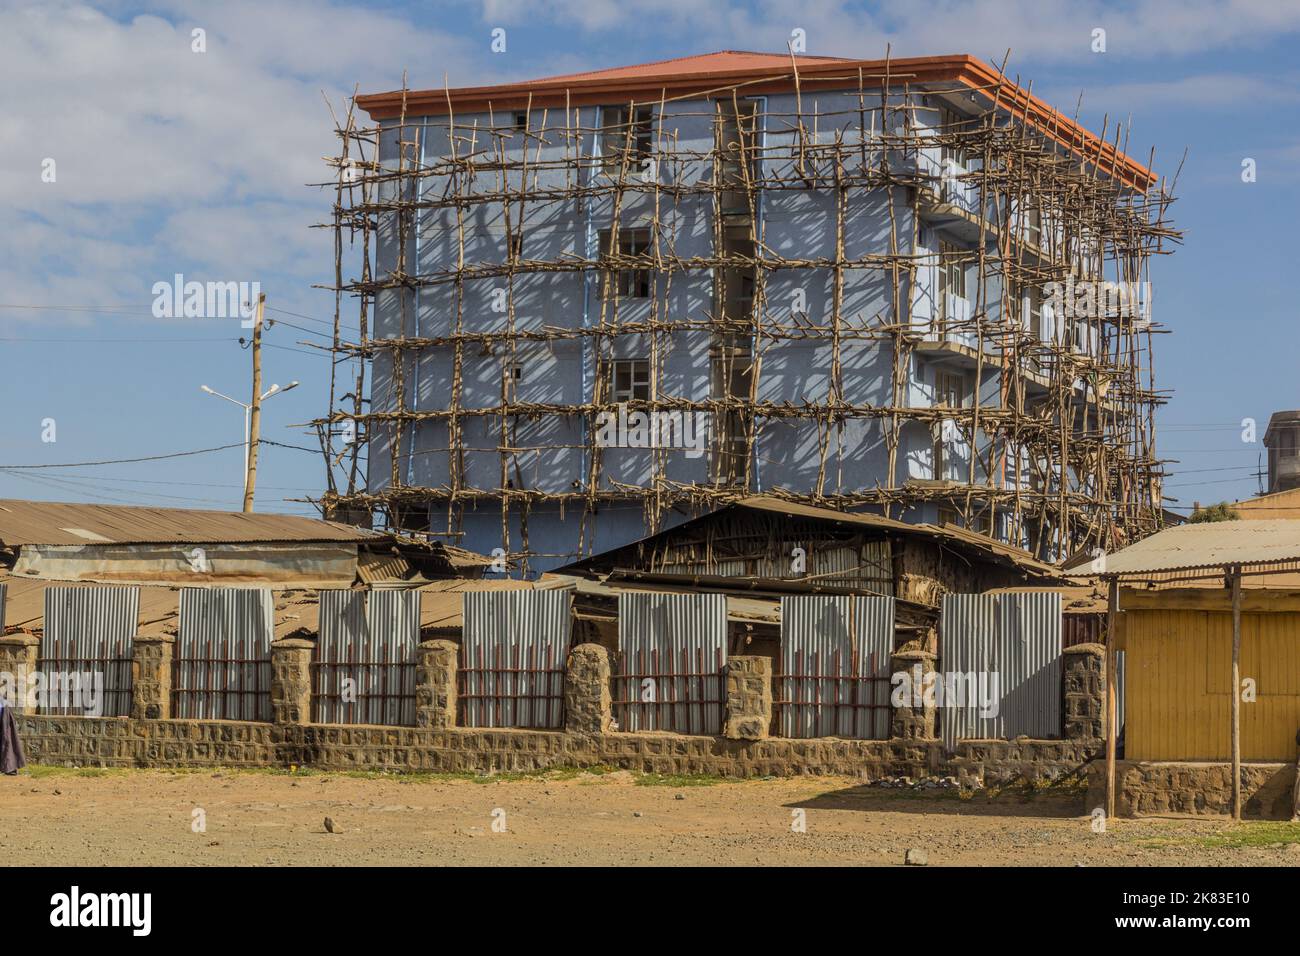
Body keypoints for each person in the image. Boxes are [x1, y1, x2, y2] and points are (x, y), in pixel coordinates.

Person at [0, 694, 26, 775]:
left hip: (5, 717)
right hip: (4, 717)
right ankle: (9, 767)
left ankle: (10, 767)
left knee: (8, 741)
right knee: (8, 742)